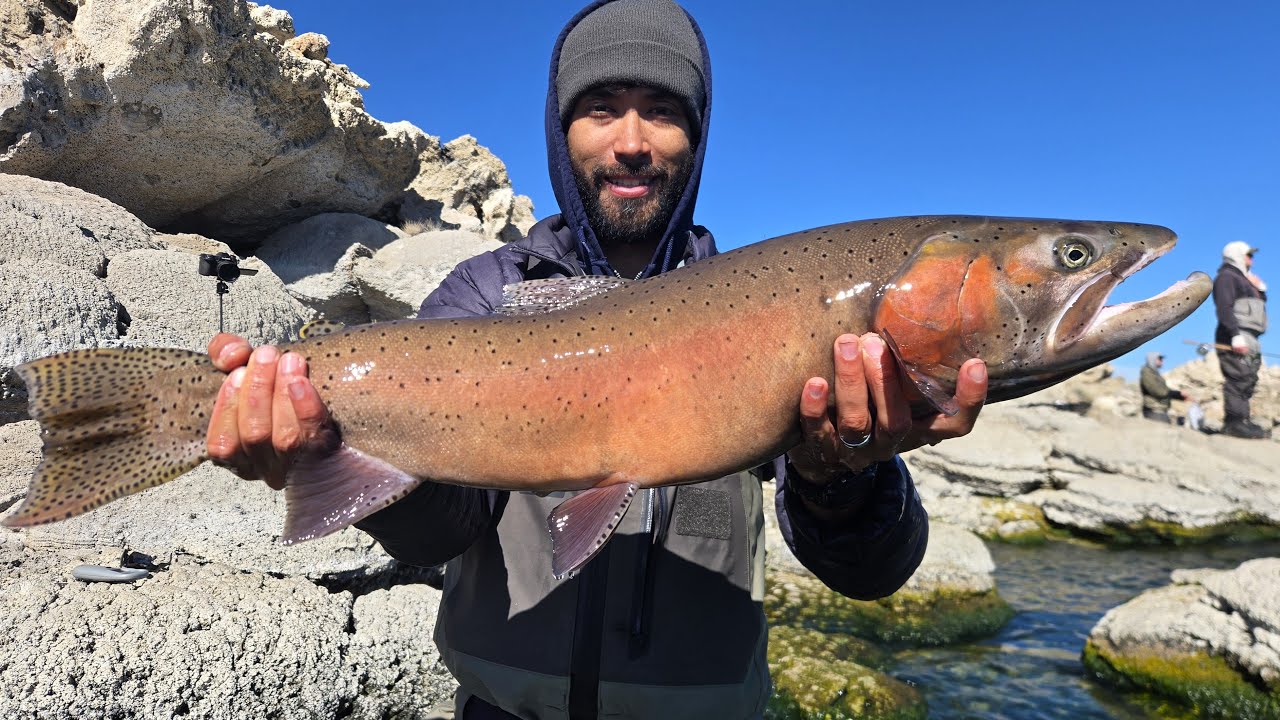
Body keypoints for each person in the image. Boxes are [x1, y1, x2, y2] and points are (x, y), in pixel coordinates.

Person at [204, 1, 989, 717]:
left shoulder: (770, 305)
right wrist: (325, 452)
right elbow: (442, 531)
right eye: (601, 110)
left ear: (698, 136)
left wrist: (843, 474)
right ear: (560, 129)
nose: (632, 142)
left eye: (663, 113)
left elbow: (868, 574)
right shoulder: (484, 292)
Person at [1213, 240, 1268, 439]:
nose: (1250, 259)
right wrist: (1235, 335)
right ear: (1236, 255)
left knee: (1249, 378)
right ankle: (1233, 423)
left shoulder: (1246, 279)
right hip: (1236, 334)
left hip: (1251, 336)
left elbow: (1257, 305)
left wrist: (1261, 289)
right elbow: (1224, 308)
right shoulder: (1226, 277)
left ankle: (1242, 420)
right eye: (1248, 254)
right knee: (1238, 377)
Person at [1139, 352, 1193, 425]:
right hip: (1154, 410)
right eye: (1160, 358)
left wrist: (1180, 396)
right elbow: (1159, 391)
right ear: (1152, 359)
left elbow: (1163, 390)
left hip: (1160, 410)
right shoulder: (1147, 373)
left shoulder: (1153, 373)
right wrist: (1178, 394)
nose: (1162, 361)